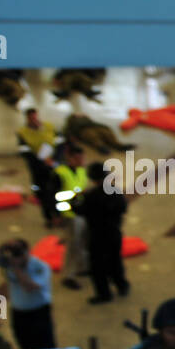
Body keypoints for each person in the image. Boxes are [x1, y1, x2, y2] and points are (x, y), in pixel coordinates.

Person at [0, 238, 87, 349]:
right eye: (14, 253)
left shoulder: (39, 266)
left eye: (19, 253)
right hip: (19, 314)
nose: (16, 256)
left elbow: (30, 287)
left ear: (27, 252)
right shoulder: (10, 264)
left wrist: (16, 268)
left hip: (39, 313)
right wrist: (3, 245)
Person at [75, 163, 129, 304]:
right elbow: (123, 208)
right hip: (114, 233)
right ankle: (122, 285)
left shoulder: (91, 196)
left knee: (97, 266)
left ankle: (104, 293)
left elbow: (80, 211)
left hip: (97, 235)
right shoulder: (115, 191)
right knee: (115, 261)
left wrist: (73, 202)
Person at [52, 145, 90, 290]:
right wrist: (55, 215)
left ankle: (82, 266)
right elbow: (52, 196)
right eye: (79, 158)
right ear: (70, 158)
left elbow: (82, 190)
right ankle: (68, 275)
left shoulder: (81, 171)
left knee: (82, 241)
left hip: (81, 212)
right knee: (73, 245)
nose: (82, 160)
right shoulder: (60, 174)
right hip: (68, 214)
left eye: (83, 157)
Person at [16, 108, 60, 228]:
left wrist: (54, 159)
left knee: (57, 190)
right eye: (31, 118)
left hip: (53, 164)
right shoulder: (22, 132)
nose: (34, 120)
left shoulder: (49, 127)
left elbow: (60, 143)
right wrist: (41, 162)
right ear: (27, 118)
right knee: (44, 193)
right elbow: (24, 152)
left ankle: (59, 215)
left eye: (35, 117)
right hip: (37, 168)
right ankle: (49, 218)